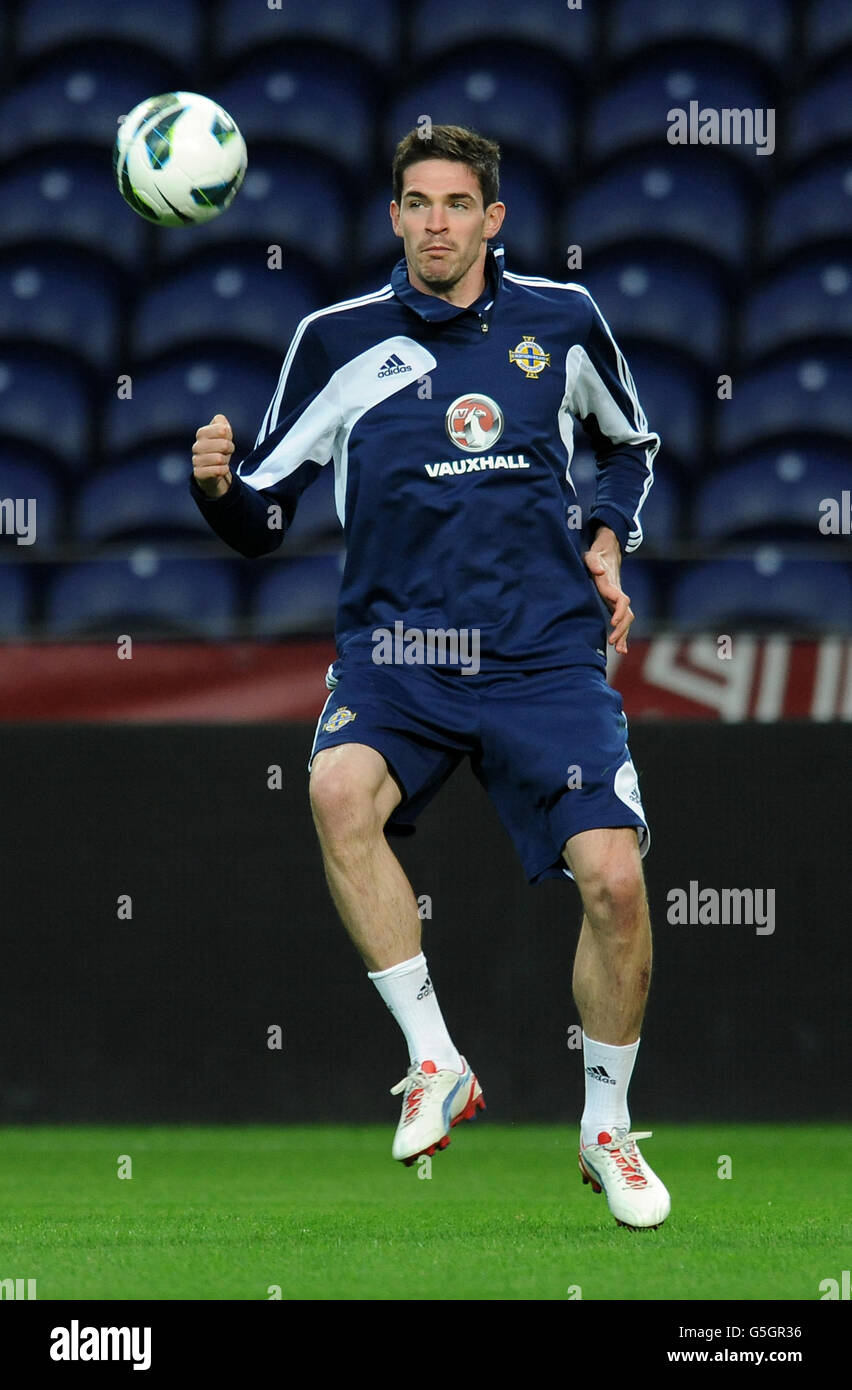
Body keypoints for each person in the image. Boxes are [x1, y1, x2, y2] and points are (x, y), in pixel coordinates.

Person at [190, 125, 669, 1230]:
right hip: (399, 657)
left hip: (546, 653)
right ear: (395, 216)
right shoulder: (336, 339)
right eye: (418, 202)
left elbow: (630, 444)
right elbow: (264, 516)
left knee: (616, 882)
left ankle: (606, 1128)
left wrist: (604, 536)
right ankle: (434, 1057)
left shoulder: (564, 319)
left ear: (493, 220)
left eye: (459, 203)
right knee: (333, 790)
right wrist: (218, 487)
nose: (438, 222)